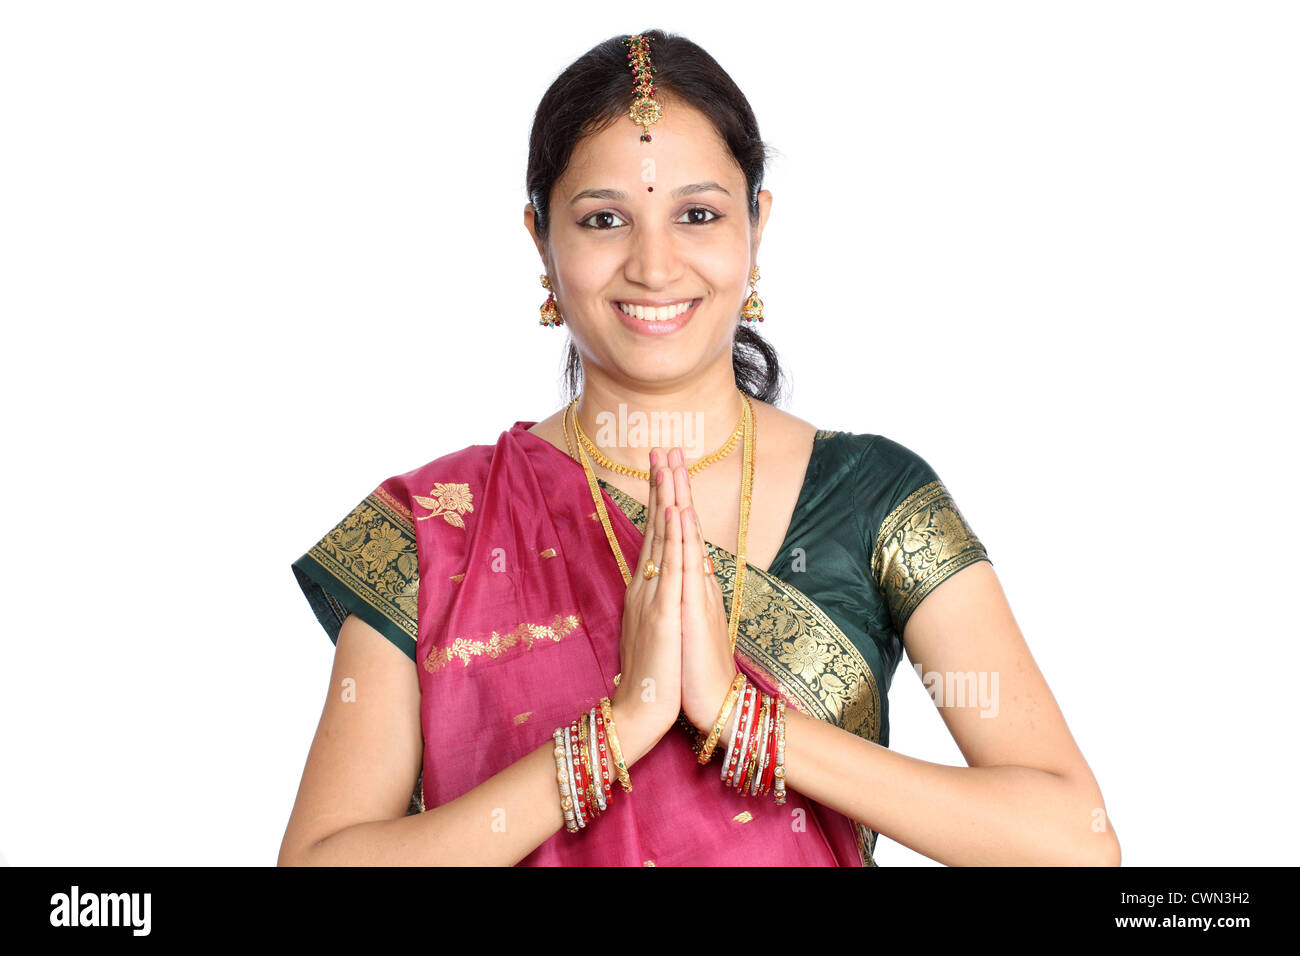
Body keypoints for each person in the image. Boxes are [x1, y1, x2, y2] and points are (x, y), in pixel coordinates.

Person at [278, 30, 1119, 867]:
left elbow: (1074, 844)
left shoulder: (872, 497)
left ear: (757, 224)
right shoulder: (437, 528)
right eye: (604, 219)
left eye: (697, 214)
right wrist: (617, 732)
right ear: (540, 239)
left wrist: (742, 718)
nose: (653, 263)